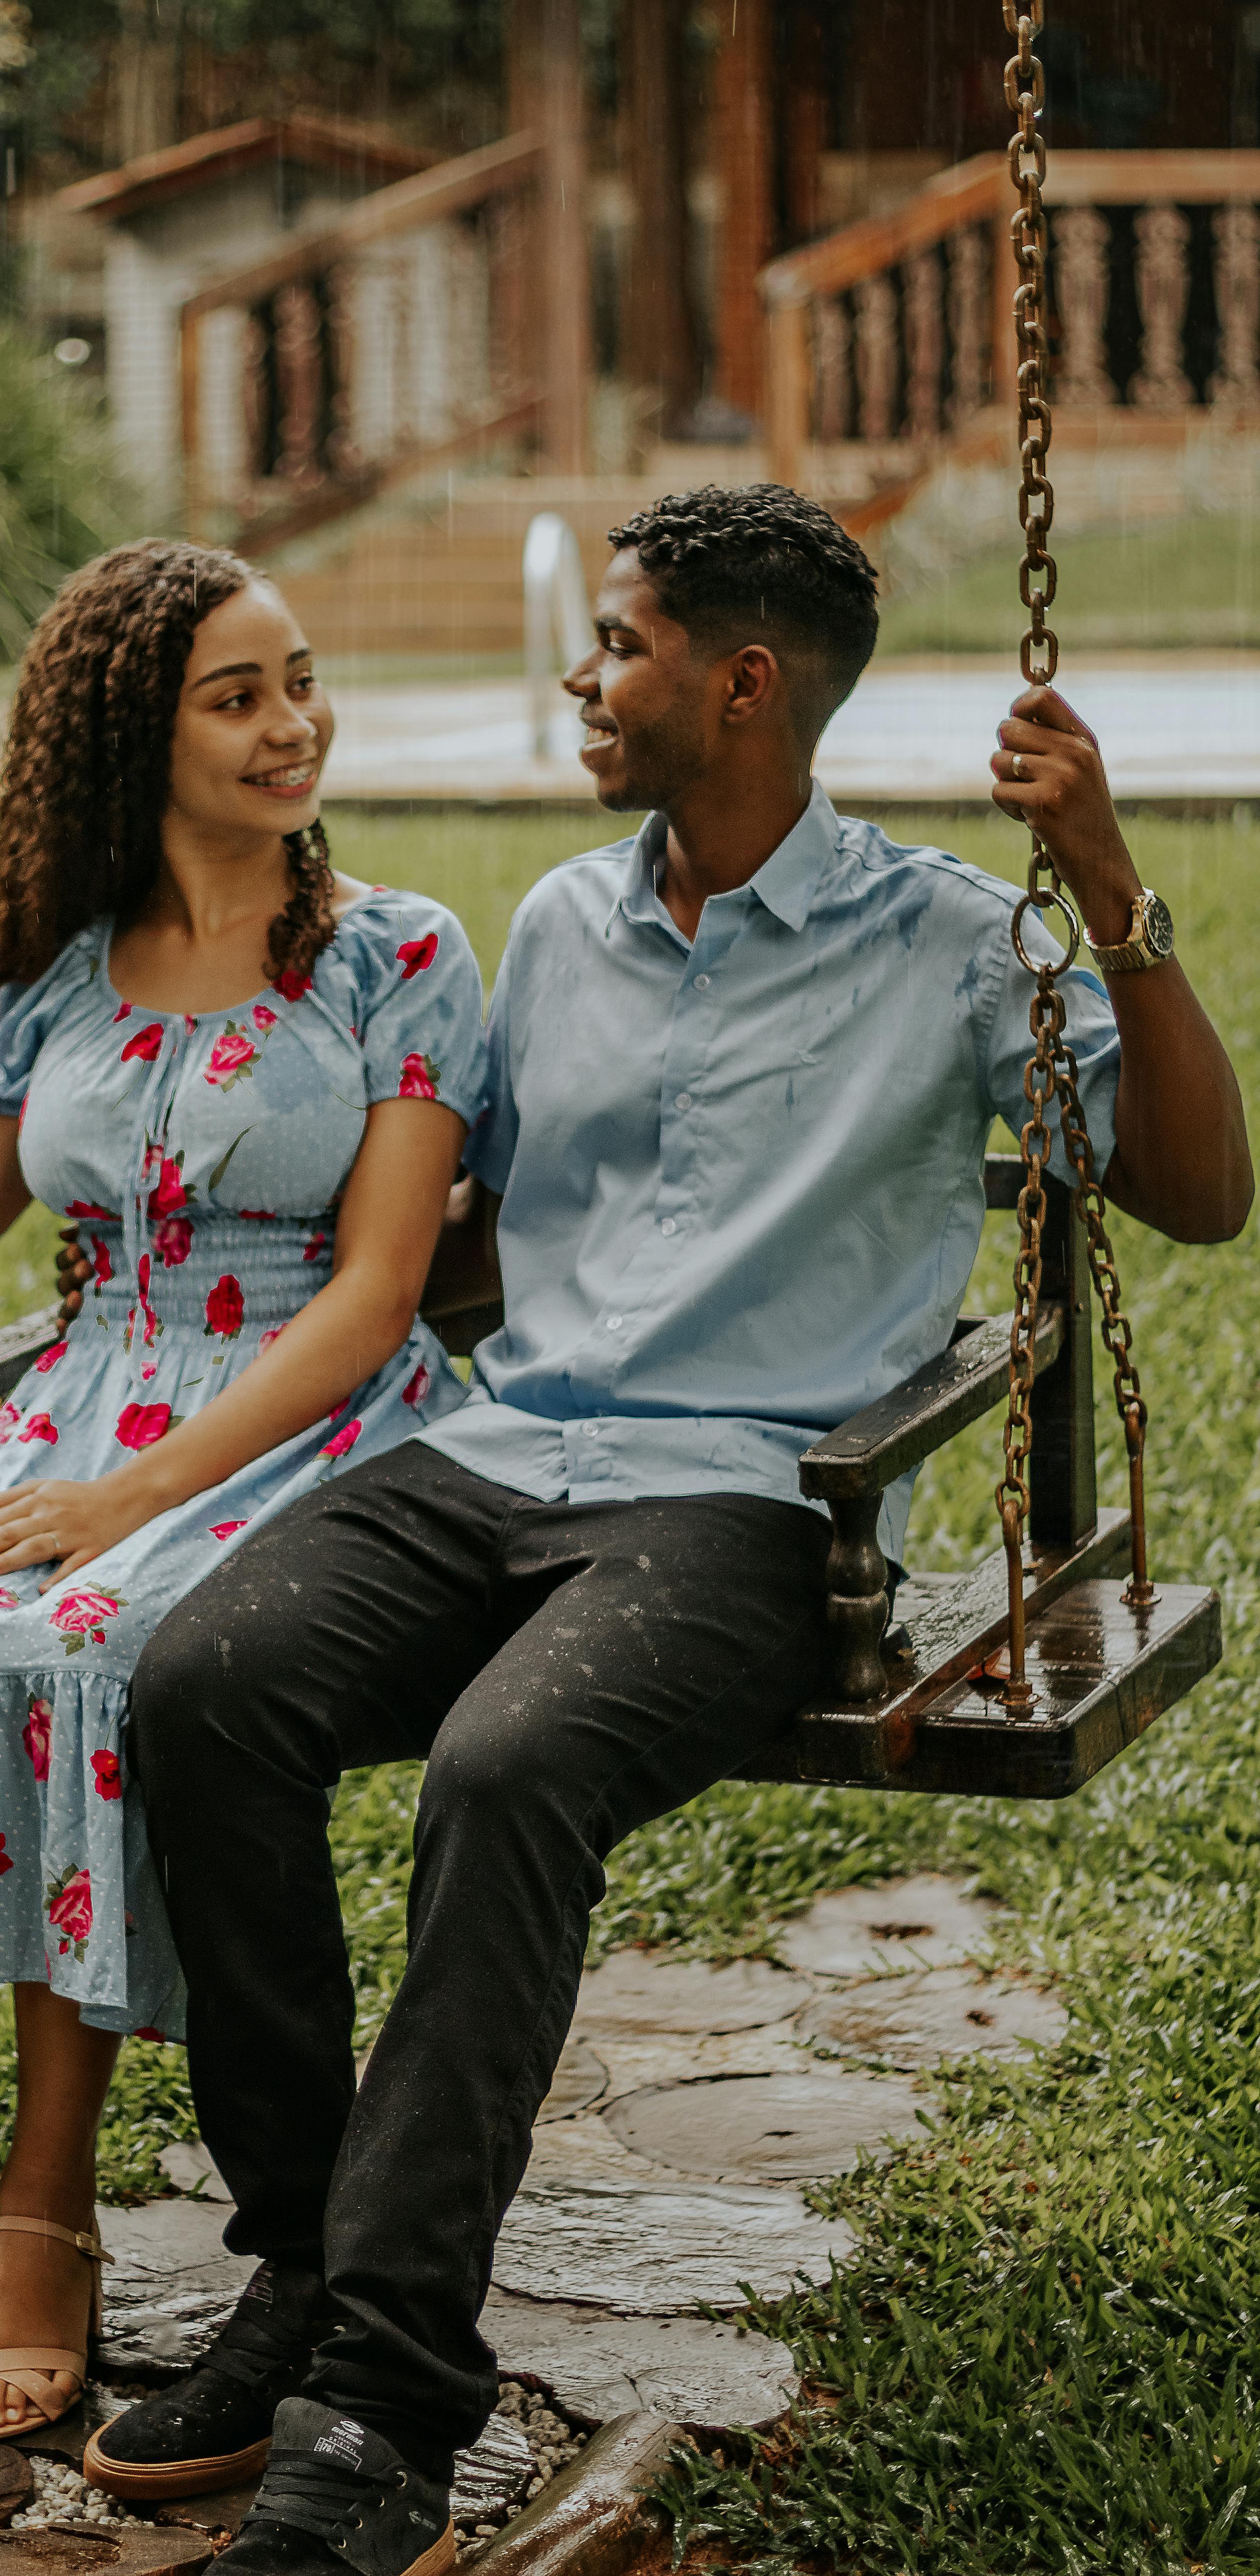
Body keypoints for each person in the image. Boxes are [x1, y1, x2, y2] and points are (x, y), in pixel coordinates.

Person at [85, 485, 1253, 2575]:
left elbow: (1195, 1184)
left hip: (746, 1513)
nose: (579, 677)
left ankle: (382, 2401)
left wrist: (1099, 873)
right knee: (203, 1682)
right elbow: (458, 1244)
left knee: (507, 1770)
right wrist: (223, 1319)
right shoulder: (560, 923)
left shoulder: (949, 942)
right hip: (500, 1458)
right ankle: (303, 2267)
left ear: (741, 684)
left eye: (615, 644)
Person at [0, 540, 487, 2442]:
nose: (293, 726)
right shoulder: (63, 971)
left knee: (86, 1650)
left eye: (300, 683)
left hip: (312, 1420)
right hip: (84, 1397)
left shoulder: (398, 956)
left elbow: (376, 1295)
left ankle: (50, 2209)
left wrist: (137, 1500)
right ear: (133, 733)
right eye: (239, 696)